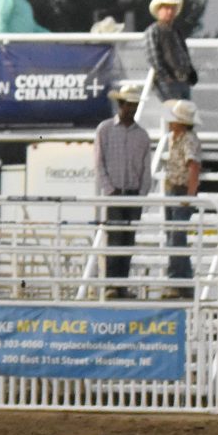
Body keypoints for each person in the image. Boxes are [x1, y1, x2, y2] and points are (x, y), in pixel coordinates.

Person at [94, 84, 152, 295]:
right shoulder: (105, 130)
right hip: (115, 191)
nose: (132, 109)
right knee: (116, 239)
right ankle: (112, 284)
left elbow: (146, 168)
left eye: (134, 105)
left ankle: (121, 284)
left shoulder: (142, 135)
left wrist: (142, 194)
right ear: (121, 105)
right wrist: (109, 189)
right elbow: (99, 163)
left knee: (127, 240)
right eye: (129, 105)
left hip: (132, 193)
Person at [158, 99, 202, 295]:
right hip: (173, 189)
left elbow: (193, 166)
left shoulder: (188, 139)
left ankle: (177, 280)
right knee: (174, 235)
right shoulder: (175, 137)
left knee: (177, 236)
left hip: (181, 190)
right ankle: (183, 281)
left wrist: (190, 196)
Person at [143, 0, 197, 102]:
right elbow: (153, 57)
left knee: (184, 113)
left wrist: (190, 71)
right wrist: (165, 76)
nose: (170, 11)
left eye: (172, 8)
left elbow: (184, 53)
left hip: (183, 80)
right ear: (159, 11)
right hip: (167, 82)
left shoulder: (176, 31)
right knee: (173, 111)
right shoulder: (153, 30)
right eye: (166, 8)